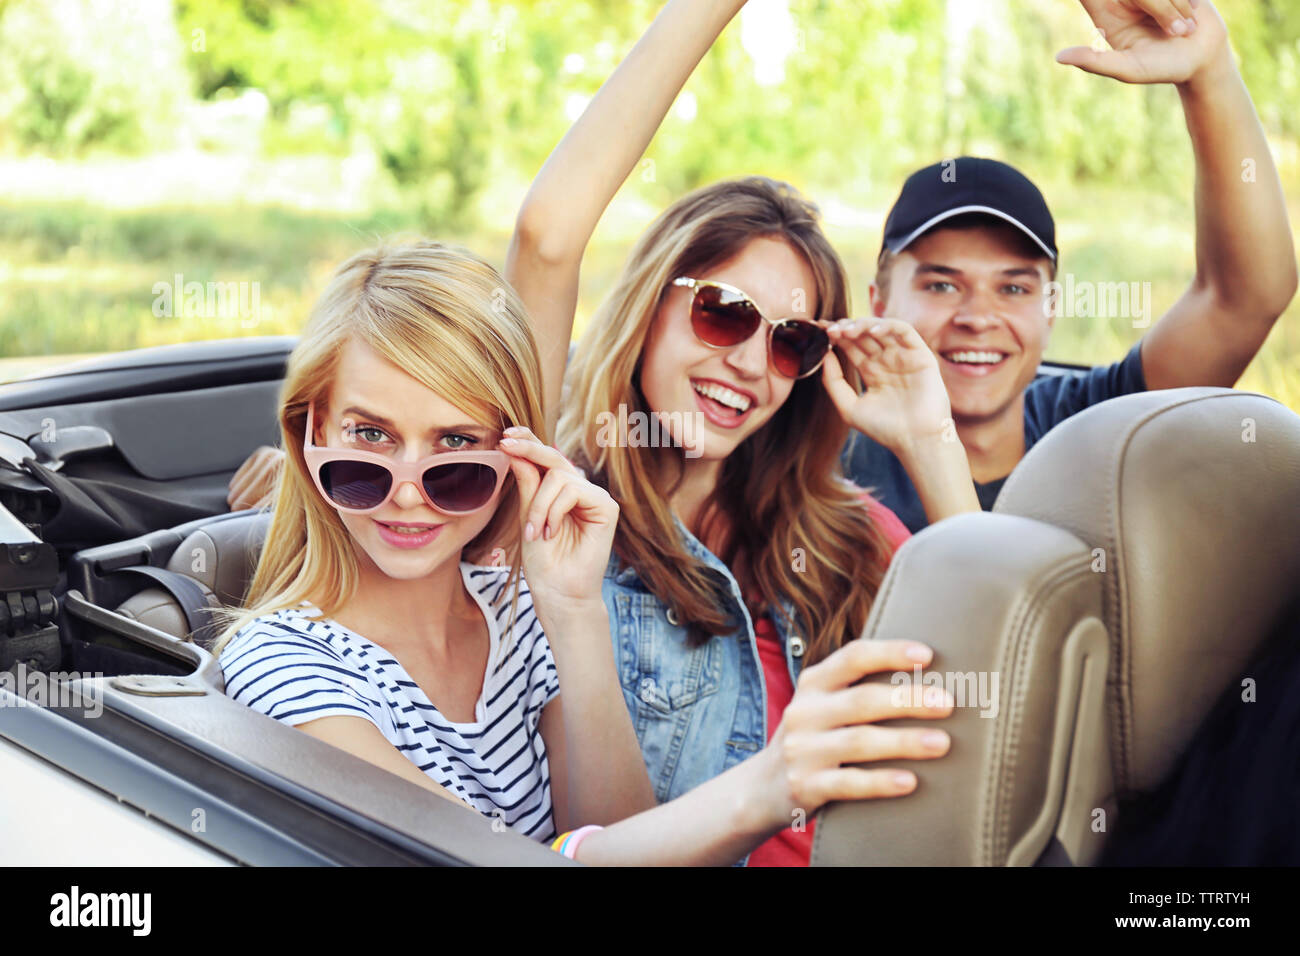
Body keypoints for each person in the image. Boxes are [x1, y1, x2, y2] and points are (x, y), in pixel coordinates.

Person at [215, 239, 956, 866]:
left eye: (457, 446)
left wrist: (572, 611)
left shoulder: (513, 608)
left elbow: (616, 831)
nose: (408, 491)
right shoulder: (282, 664)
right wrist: (767, 786)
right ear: (309, 431)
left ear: (515, 452)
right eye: (370, 437)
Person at [508, 1, 976, 866]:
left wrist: (931, 438)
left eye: (790, 341)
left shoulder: (842, 534)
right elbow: (545, 237)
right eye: (724, 314)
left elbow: (1003, 680)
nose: (751, 364)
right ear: (651, 306)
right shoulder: (551, 505)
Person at [844, 0, 1298, 531]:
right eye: (942, 285)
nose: (978, 317)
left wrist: (1209, 71)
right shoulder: (819, 456)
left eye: (1013, 289)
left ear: (1052, 308)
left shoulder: (1095, 428)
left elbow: (1245, 299)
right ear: (879, 303)